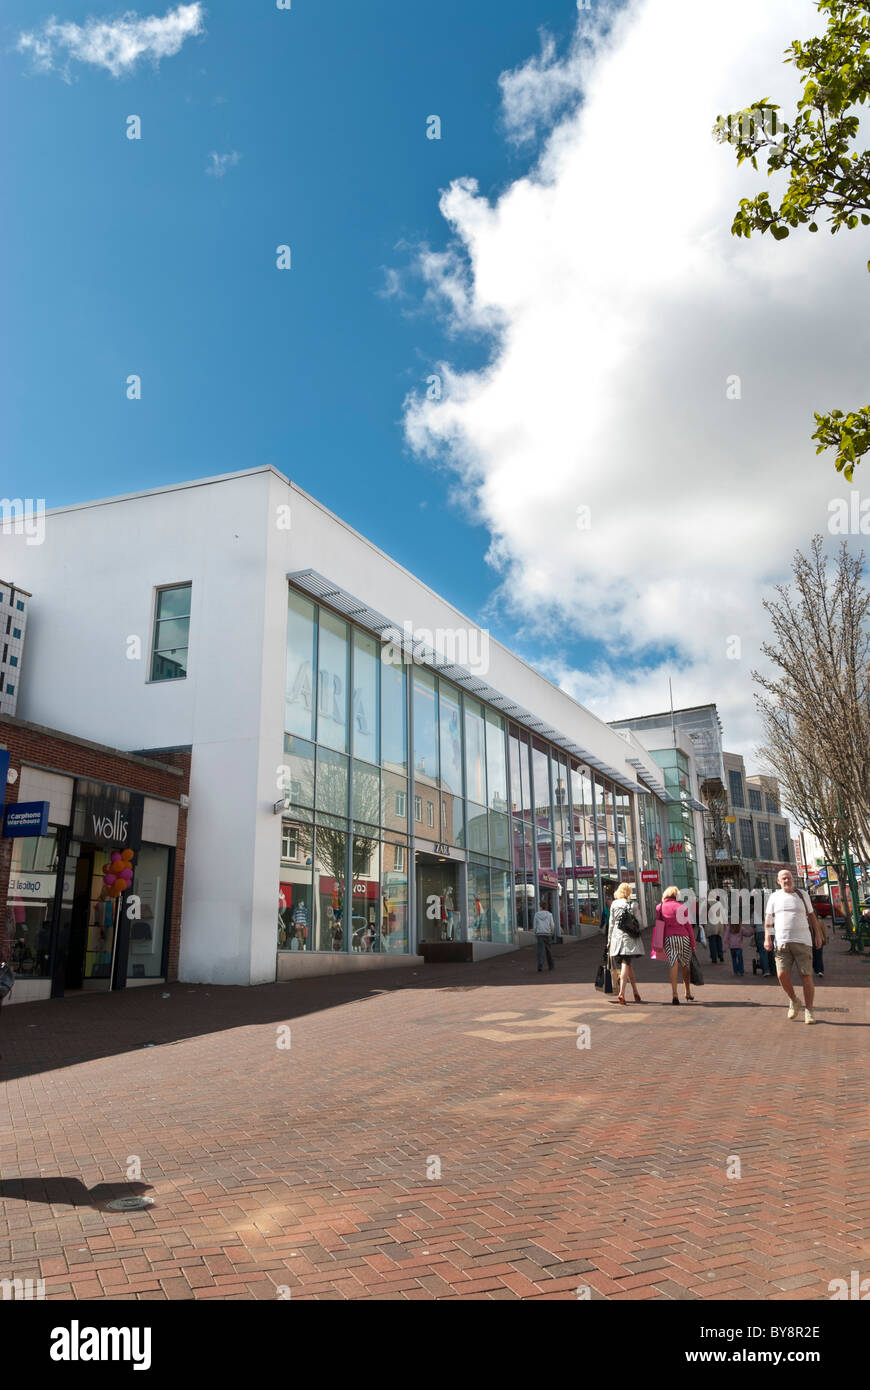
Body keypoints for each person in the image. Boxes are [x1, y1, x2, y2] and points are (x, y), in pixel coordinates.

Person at [763, 868, 823, 1025]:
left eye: (788, 877)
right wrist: (767, 938)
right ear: (778, 881)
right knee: (782, 975)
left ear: (793, 879)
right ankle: (794, 1000)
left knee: (806, 977)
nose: (786, 880)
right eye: (783, 878)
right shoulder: (774, 897)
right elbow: (769, 918)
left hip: (803, 942)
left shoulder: (802, 894)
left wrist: (818, 935)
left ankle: (809, 1010)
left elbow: (812, 916)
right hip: (781, 942)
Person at [655, 885, 696, 1004]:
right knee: (685, 965)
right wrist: (693, 944)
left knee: (673, 964)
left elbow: (658, 925)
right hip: (684, 937)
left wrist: (659, 943)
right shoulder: (682, 906)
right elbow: (688, 926)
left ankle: (675, 994)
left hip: (669, 939)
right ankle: (687, 992)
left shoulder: (659, 907)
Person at [606, 882, 644, 1006]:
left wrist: (609, 940)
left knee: (628, 965)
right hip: (629, 938)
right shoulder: (633, 904)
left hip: (617, 938)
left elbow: (611, 924)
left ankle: (635, 991)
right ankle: (621, 992)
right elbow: (640, 922)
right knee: (626, 963)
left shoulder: (614, 905)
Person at [533, 903, 555, 972]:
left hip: (539, 934)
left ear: (541, 907)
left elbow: (535, 925)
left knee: (540, 951)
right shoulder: (549, 914)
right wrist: (552, 931)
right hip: (547, 933)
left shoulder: (536, 914)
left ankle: (540, 966)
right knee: (549, 950)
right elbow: (552, 924)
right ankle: (551, 966)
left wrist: (535, 932)